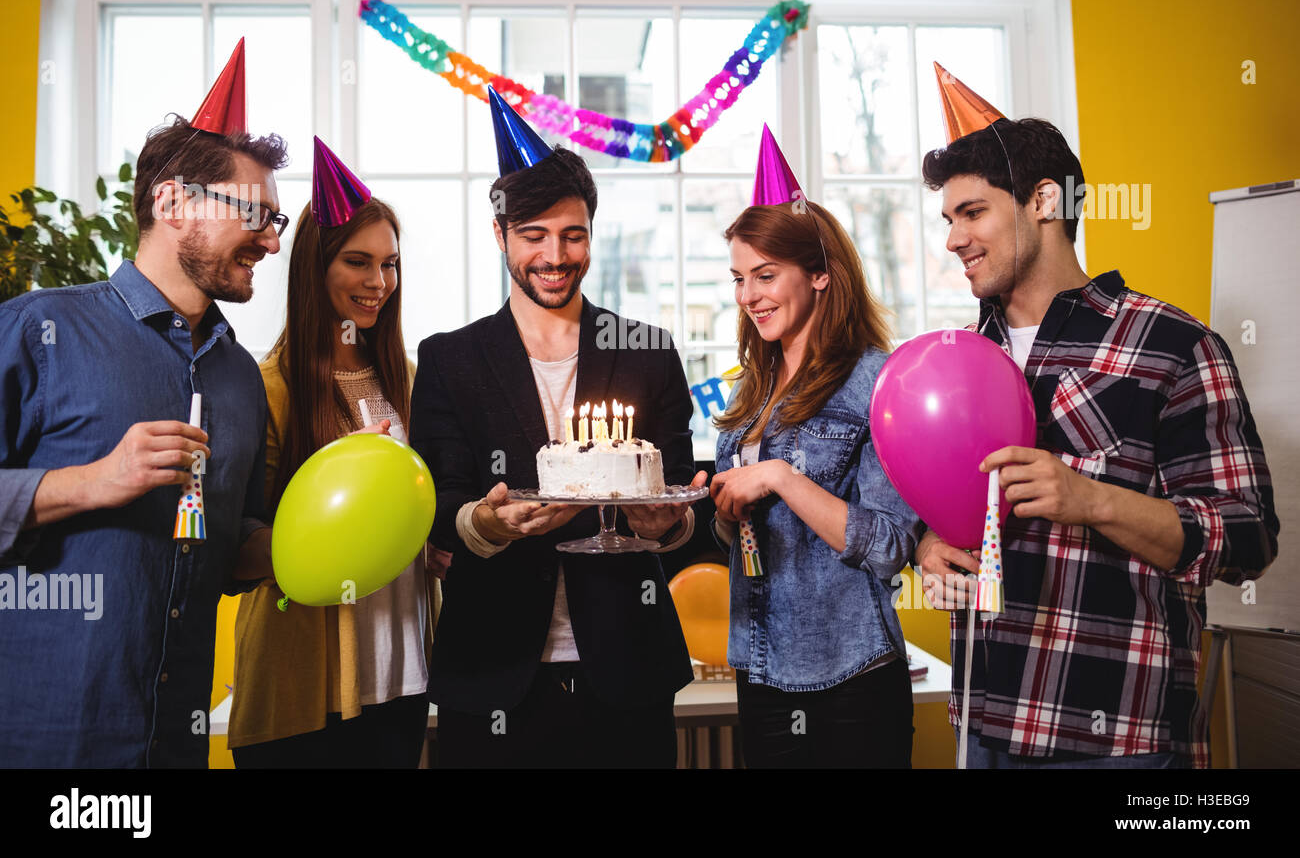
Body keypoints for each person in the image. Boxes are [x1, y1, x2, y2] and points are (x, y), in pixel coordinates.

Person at [916, 79, 1278, 768]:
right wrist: (932, 544)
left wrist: (1093, 501)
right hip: (986, 723)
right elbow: (953, 510)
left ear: (1046, 202)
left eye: (972, 213)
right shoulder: (962, 361)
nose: (955, 239)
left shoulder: (1172, 344)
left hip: (1119, 738)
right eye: (948, 221)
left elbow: (1247, 538)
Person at [409, 88, 704, 768]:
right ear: (500, 236)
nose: (555, 254)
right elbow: (440, 505)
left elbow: (682, 492)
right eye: (534, 236)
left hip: (628, 671)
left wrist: (669, 526)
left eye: (573, 235)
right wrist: (487, 524)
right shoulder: (450, 359)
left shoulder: (647, 350)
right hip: (493, 673)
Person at [0, 72, 289, 766]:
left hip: (173, 740)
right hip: (45, 738)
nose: (272, 243)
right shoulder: (37, 328)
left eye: (275, 223)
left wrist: (312, 538)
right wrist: (93, 481)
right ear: (173, 202)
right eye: (256, 217)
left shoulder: (240, 377)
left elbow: (235, 549)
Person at [709, 127, 922, 768]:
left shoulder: (876, 382)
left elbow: (891, 545)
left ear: (822, 275)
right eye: (740, 278)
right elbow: (739, 538)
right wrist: (724, 514)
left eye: (766, 275)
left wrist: (778, 477)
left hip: (850, 676)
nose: (749, 297)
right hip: (760, 665)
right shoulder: (750, 391)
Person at [229, 138, 442, 768]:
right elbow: (235, 549)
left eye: (390, 263)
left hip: (401, 678)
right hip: (305, 693)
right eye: (357, 261)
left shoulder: (408, 378)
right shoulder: (270, 386)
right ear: (315, 269)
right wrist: (332, 501)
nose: (378, 282)